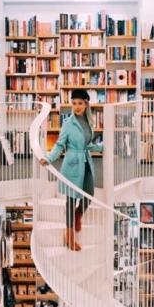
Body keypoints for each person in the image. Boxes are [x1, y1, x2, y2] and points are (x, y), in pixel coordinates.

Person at [40, 90, 102, 251]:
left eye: (80, 103)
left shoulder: (89, 121)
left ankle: (78, 215)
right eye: (74, 103)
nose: (77, 107)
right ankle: (70, 236)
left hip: (86, 161)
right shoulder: (68, 123)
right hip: (72, 163)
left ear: (86, 104)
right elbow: (60, 145)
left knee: (89, 195)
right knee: (71, 201)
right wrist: (48, 158)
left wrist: (102, 147)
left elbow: (87, 144)